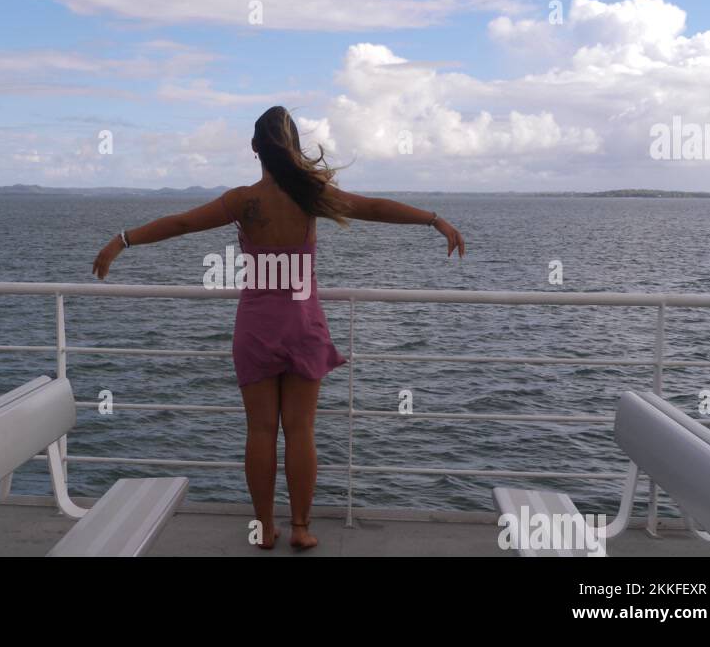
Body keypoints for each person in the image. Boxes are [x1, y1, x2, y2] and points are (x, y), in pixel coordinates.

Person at [92, 106, 465, 550]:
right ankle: (301, 528)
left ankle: (265, 528)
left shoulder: (241, 201)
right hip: (304, 322)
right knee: (301, 429)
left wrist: (123, 240)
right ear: (294, 147)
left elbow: (183, 223)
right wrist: (434, 219)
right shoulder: (312, 194)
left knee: (261, 430)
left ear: (255, 149)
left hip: (256, 326)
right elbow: (374, 208)